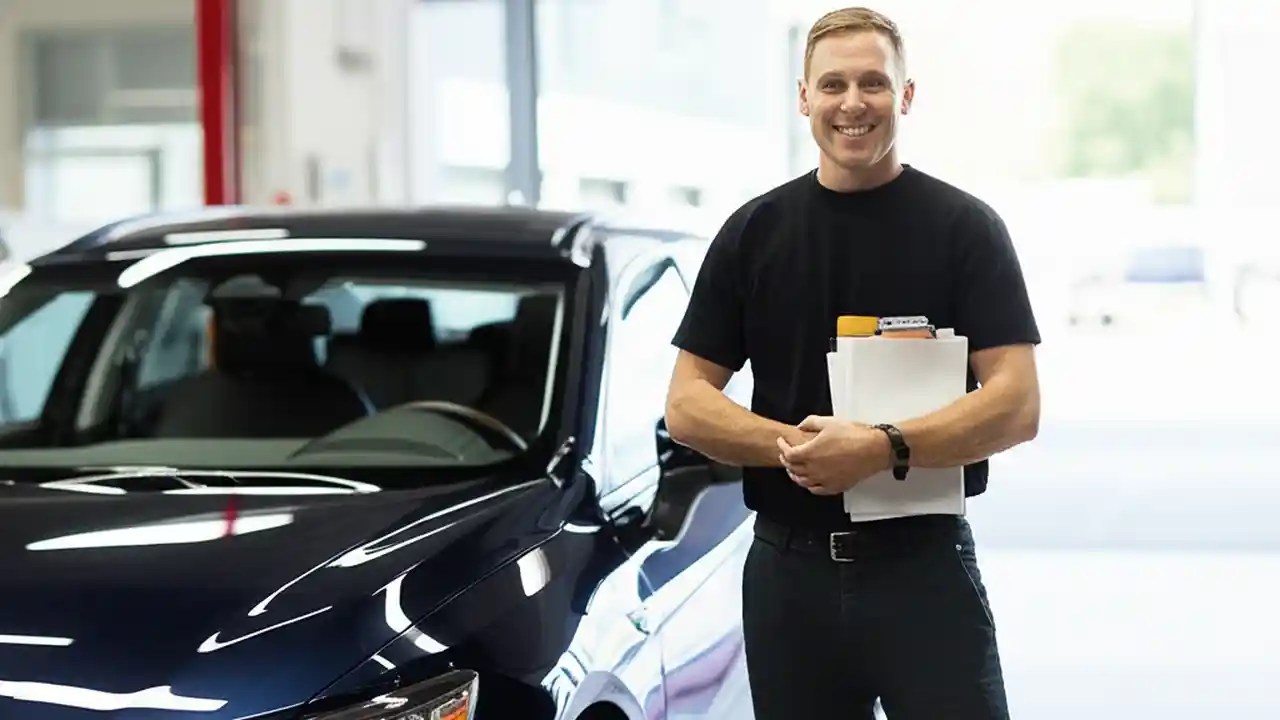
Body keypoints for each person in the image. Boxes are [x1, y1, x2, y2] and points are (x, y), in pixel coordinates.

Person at [664, 6, 1041, 720]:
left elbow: (1017, 402)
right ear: (804, 97)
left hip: (923, 570)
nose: (852, 103)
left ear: (905, 95)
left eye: (873, 82)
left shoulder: (965, 230)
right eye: (832, 84)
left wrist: (879, 447)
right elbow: (687, 402)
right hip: (789, 575)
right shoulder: (754, 232)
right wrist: (802, 452)